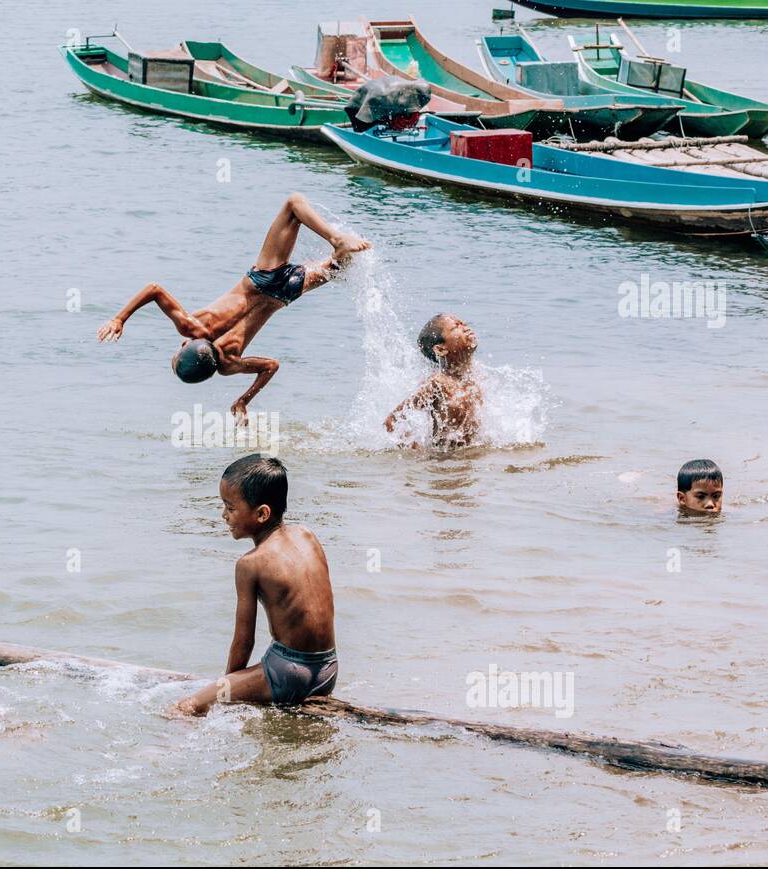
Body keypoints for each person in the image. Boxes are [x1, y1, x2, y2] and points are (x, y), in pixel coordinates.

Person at [96, 193, 371, 423]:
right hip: (264, 277)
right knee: (293, 204)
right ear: (186, 346)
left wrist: (243, 401)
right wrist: (119, 319)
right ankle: (336, 238)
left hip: (286, 294)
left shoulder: (228, 364)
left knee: (339, 267)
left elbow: (271, 366)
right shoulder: (193, 326)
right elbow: (154, 288)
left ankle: (341, 251)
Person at [174, 455, 338, 716]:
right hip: (328, 670)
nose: (224, 515)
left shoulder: (250, 564)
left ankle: (164, 751)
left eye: (230, 507)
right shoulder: (307, 535)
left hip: (289, 673)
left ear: (262, 513)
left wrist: (225, 689)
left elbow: (243, 641)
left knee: (187, 706)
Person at [385, 313, 481, 448]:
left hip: (471, 461)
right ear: (441, 349)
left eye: (463, 324)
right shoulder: (438, 383)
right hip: (443, 463)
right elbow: (392, 421)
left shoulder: (476, 377)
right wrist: (416, 452)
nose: (465, 328)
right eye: (456, 327)